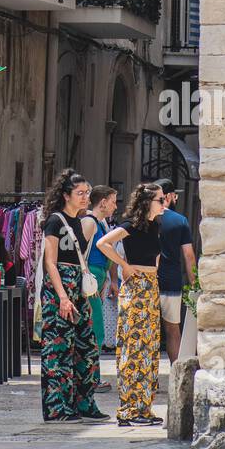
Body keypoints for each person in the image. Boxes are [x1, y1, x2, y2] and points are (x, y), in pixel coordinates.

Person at [38, 169, 109, 424]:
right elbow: (51, 262)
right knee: (59, 351)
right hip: (60, 290)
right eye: (80, 193)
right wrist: (62, 297)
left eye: (87, 193)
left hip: (77, 286)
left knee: (86, 348)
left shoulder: (81, 221)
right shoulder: (54, 221)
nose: (85, 197)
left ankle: (84, 402)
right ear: (66, 195)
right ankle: (57, 407)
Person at [97, 182, 166, 427]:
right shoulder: (131, 225)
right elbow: (103, 243)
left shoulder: (156, 226)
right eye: (160, 199)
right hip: (136, 287)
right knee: (134, 346)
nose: (164, 203)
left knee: (148, 347)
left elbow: (156, 254)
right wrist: (124, 266)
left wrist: (153, 271)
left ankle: (144, 407)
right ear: (148, 202)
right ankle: (129, 408)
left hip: (150, 287)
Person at [80, 185, 118, 390]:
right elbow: (80, 254)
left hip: (97, 278)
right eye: (113, 201)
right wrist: (87, 283)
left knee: (97, 328)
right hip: (91, 279)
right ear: (102, 202)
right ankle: (90, 377)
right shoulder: (90, 222)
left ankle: (92, 375)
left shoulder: (101, 223)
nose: (115, 206)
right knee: (94, 328)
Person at [155, 178, 195, 364]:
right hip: (171, 280)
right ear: (169, 196)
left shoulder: (143, 218)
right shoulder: (180, 221)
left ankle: (148, 377)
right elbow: (188, 255)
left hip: (147, 280)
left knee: (147, 329)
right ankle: (176, 372)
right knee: (172, 329)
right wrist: (194, 283)